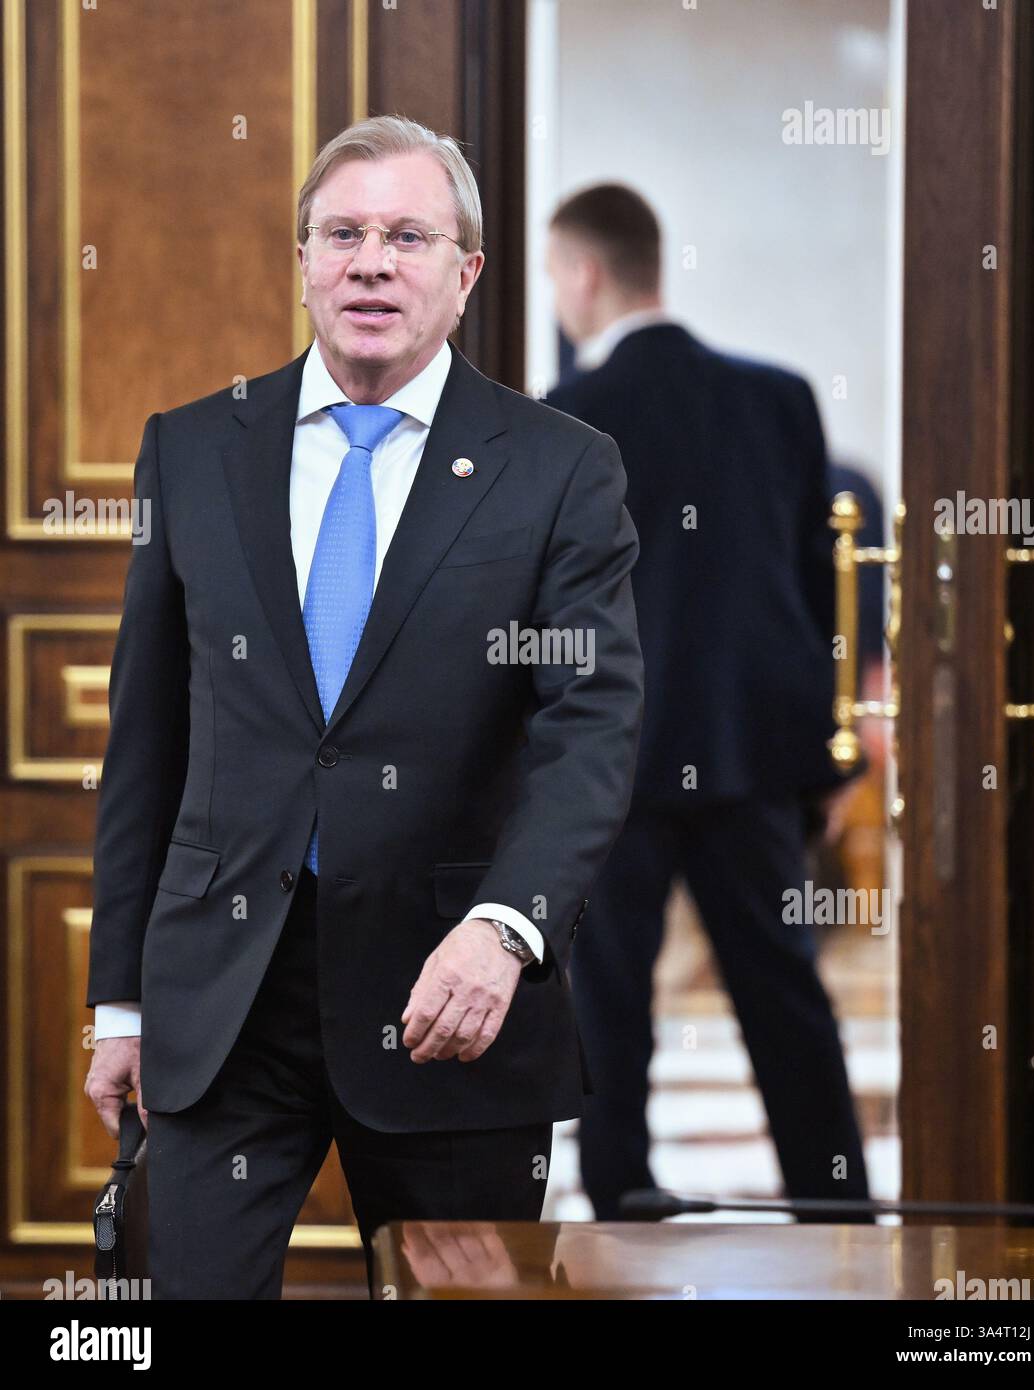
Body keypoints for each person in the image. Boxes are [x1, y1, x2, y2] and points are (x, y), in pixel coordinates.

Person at [83, 117, 644, 1299]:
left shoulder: (558, 467)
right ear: (302, 261)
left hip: (452, 996)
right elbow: (147, 742)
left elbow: (588, 724)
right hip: (228, 998)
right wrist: (120, 1000)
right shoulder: (191, 451)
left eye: (406, 235)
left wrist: (509, 926)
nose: (371, 262)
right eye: (342, 233)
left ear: (465, 272)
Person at [544, 182, 870, 1220]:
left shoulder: (564, 421)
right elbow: (824, 592)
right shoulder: (779, 399)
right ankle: (840, 1207)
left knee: (607, 997)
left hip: (612, 763)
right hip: (750, 755)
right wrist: (829, 758)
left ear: (583, 276)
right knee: (785, 995)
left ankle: (623, 1193)